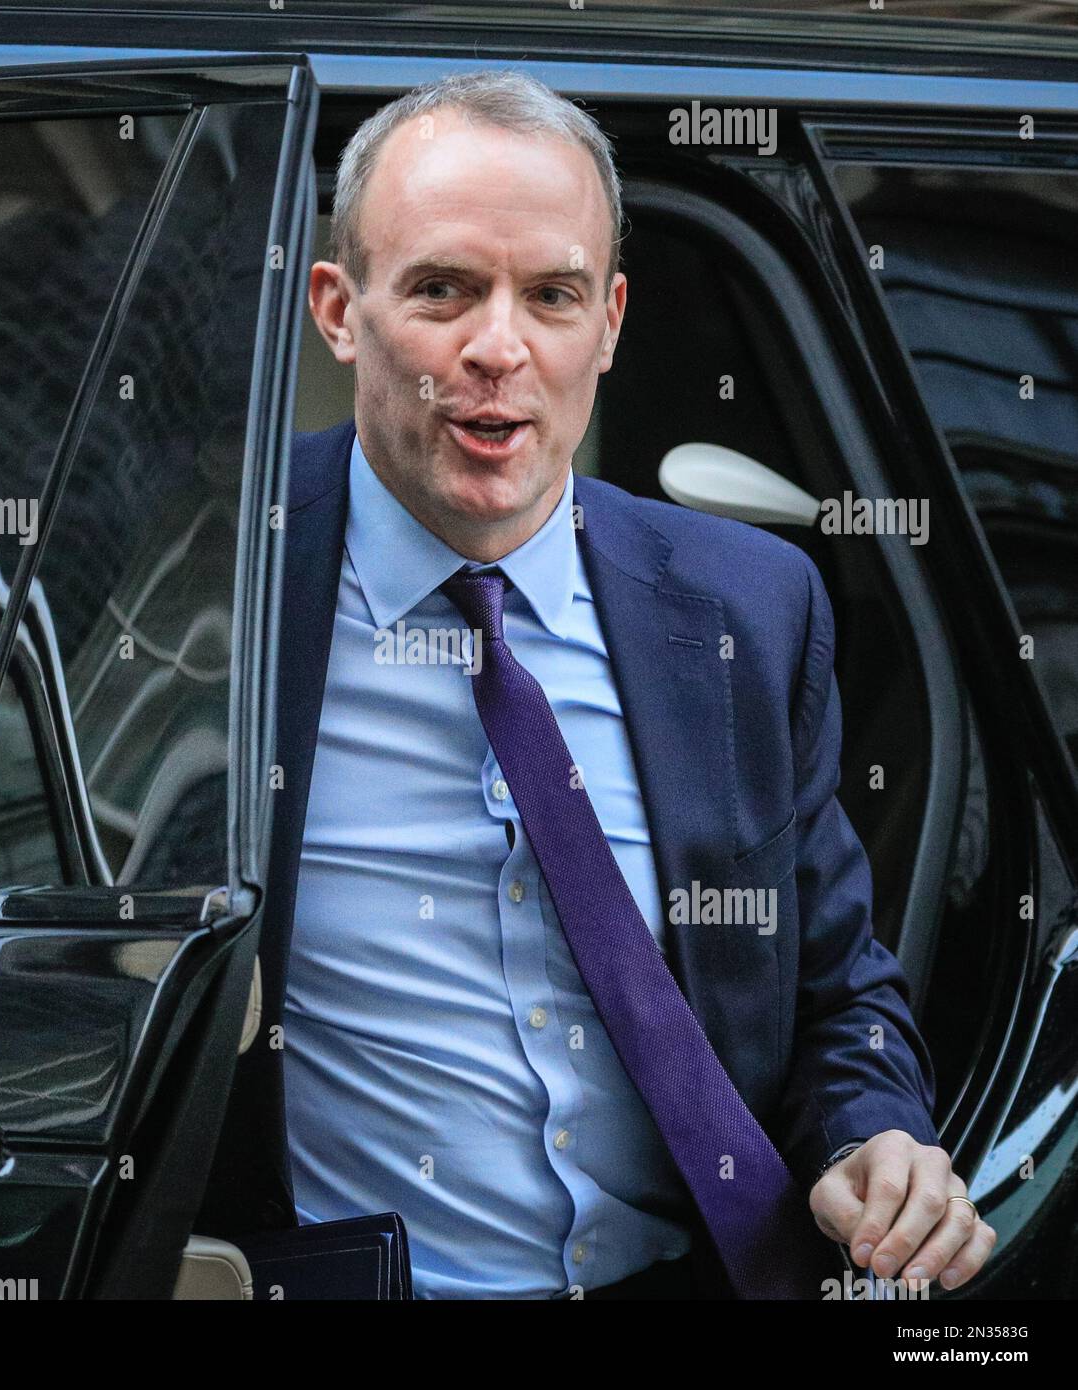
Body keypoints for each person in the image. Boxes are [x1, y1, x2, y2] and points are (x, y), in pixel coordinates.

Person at [202, 69, 996, 1299]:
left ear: (611, 321)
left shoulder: (748, 606)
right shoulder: (218, 583)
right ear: (337, 310)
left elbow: (839, 990)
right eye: (442, 289)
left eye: (552, 295)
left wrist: (871, 1137)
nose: (498, 348)